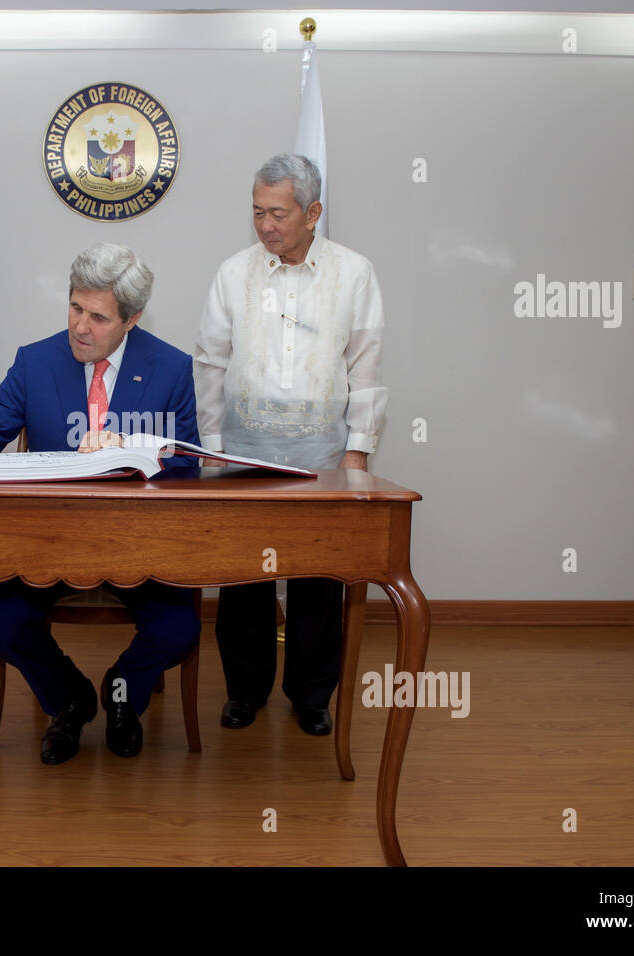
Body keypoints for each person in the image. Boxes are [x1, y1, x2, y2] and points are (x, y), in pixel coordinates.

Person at [0, 242, 201, 764]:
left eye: (99, 317)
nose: (81, 327)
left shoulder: (170, 368)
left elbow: (186, 470)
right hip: (48, 544)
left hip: (138, 546)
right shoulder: (35, 362)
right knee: (1, 621)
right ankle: (70, 700)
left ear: (132, 319)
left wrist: (132, 449)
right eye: (75, 307)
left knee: (180, 628)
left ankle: (121, 693)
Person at [194, 153, 388, 736]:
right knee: (245, 578)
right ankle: (244, 691)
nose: (265, 225)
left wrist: (357, 453)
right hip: (243, 453)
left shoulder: (354, 274)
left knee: (319, 581)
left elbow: (368, 368)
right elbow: (209, 363)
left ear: (313, 213)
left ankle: (311, 695)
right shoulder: (234, 273)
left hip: (322, 455)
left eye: (278, 213)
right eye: (257, 212)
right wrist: (211, 447)